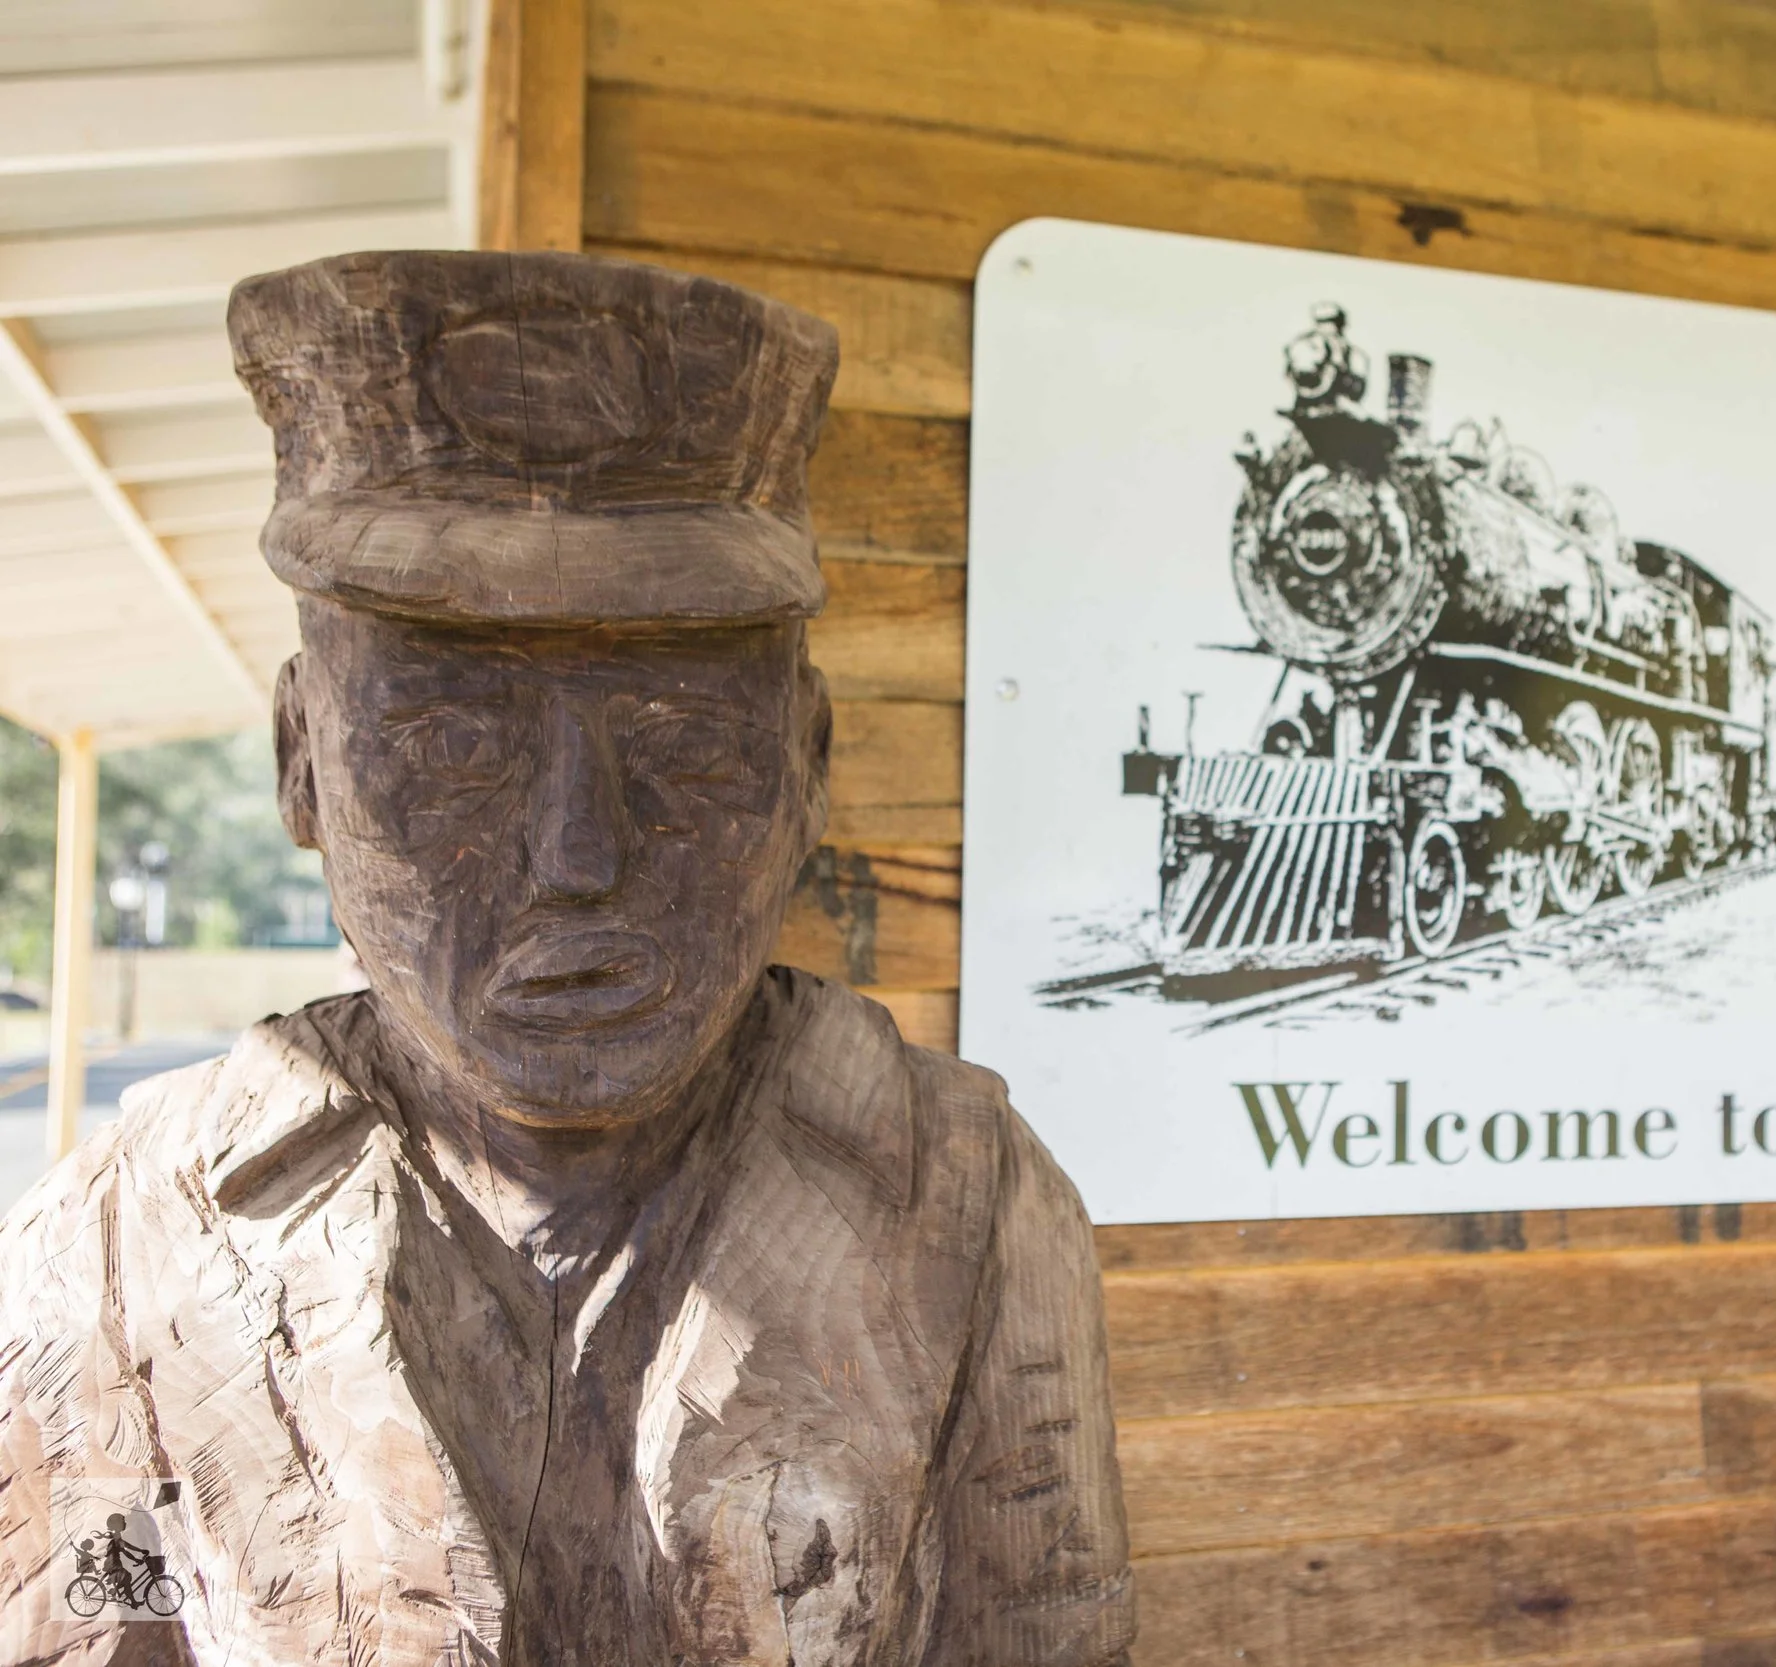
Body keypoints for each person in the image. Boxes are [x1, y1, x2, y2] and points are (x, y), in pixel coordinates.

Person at [0, 253, 1133, 1667]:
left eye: (686, 742)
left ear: (810, 768)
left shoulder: (973, 1203)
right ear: (304, 762)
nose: (579, 850)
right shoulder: (117, 1241)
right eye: (457, 747)